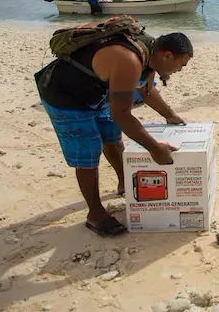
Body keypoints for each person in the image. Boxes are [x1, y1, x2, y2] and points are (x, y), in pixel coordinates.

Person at [34, 28, 193, 237]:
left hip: (95, 89)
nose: (180, 70)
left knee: (112, 135)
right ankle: (95, 214)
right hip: (63, 93)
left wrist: (170, 115)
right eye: (181, 65)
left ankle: (124, 183)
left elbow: (146, 90)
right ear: (167, 55)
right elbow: (122, 114)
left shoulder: (151, 54)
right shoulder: (130, 60)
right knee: (88, 152)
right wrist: (155, 149)